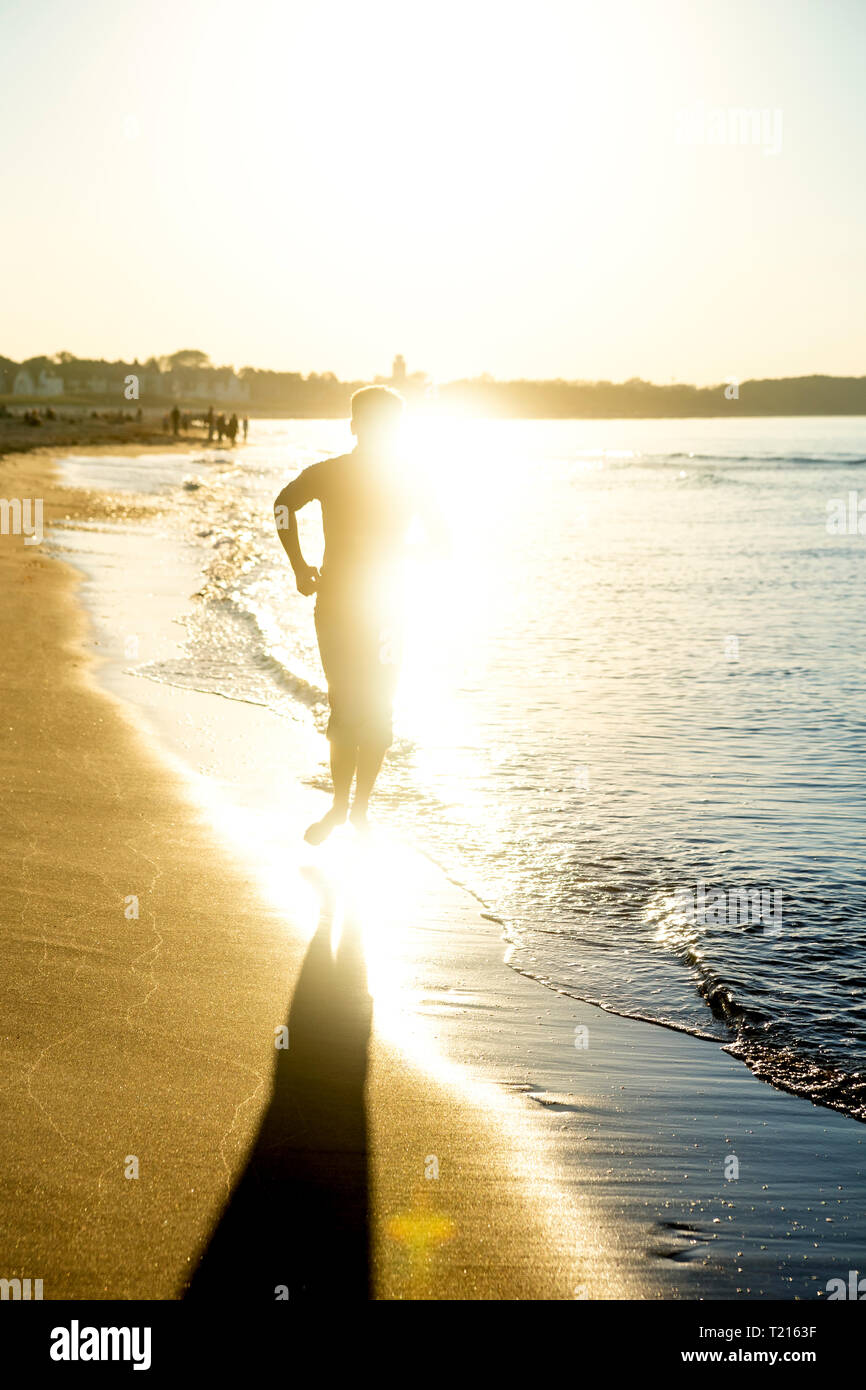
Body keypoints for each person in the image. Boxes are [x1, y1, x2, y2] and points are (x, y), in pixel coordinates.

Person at [274, 386, 441, 844]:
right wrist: (399, 553)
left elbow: (282, 506)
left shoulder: (336, 473)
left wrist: (301, 569)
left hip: (353, 604)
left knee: (352, 709)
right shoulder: (409, 478)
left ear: (354, 426)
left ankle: (349, 810)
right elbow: (443, 543)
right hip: (381, 606)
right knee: (367, 710)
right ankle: (352, 809)